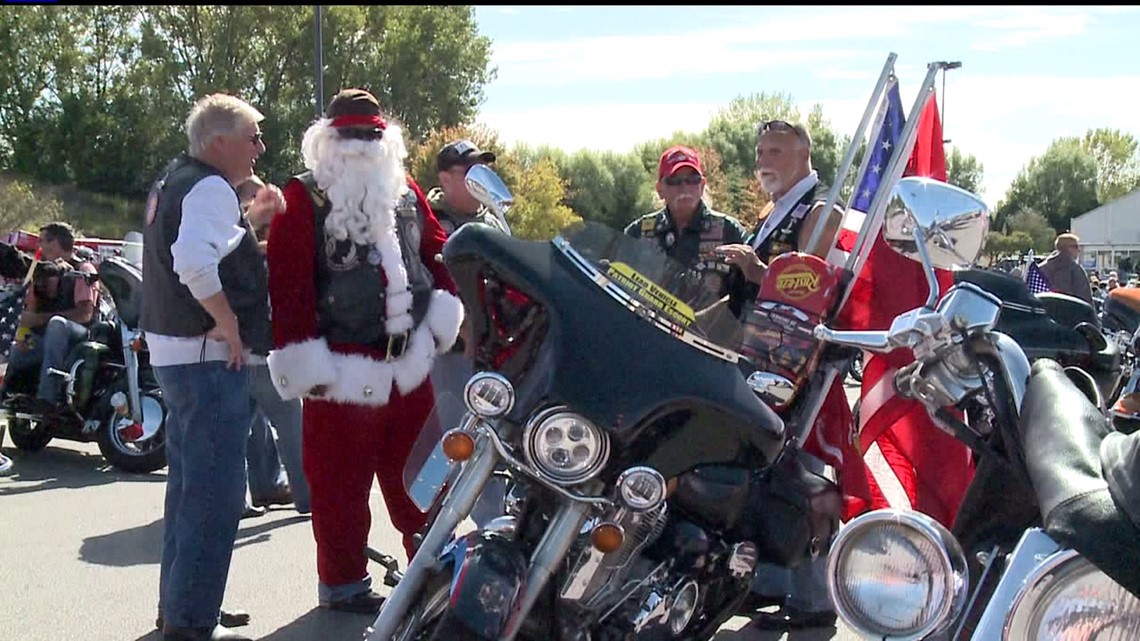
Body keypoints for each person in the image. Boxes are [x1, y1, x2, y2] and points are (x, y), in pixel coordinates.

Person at [265, 88, 463, 615]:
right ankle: (343, 584)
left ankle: (433, 574)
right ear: (328, 140)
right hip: (340, 369)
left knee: (426, 477)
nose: (362, 145)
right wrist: (305, 363)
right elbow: (289, 289)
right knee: (338, 488)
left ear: (385, 138)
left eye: (372, 135)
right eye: (352, 135)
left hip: (410, 365)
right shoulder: (301, 198)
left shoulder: (405, 191)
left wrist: (449, 317)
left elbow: (437, 253)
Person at [141, 93, 283, 641]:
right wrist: (227, 323)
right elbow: (195, 261)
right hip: (204, 359)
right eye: (252, 137)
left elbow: (203, 244)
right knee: (215, 495)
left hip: (179, 357)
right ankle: (192, 622)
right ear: (220, 141)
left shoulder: (178, 180)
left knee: (188, 490)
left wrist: (254, 219)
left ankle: (181, 609)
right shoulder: (207, 186)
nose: (259, 148)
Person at [716, 120, 846, 632]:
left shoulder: (820, 210)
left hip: (800, 368)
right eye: (761, 151)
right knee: (765, 471)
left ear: (806, 155)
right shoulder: (775, 212)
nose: (764, 160)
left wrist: (755, 270)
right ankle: (771, 580)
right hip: (760, 361)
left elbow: (806, 285)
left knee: (804, 476)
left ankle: (816, 594)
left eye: (777, 151)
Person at [232, 175, 310, 520]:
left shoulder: (230, 243)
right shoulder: (261, 249)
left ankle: (249, 494)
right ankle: (308, 497)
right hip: (264, 352)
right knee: (293, 426)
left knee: (240, 430)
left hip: (235, 352)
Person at [623, 145, 749, 311]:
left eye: (692, 180)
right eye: (674, 181)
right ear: (660, 189)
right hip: (648, 331)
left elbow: (749, 291)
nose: (684, 187)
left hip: (706, 336)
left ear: (702, 185)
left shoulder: (729, 231)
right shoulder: (638, 232)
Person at [3, 222, 100, 418]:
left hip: (78, 336)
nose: (39, 246)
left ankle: (47, 400)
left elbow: (85, 314)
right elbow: (30, 310)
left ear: (55, 243)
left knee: (57, 325)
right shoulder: (43, 271)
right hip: (46, 336)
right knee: (13, 353)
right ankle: (8, 396)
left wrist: (41, 319)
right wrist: (23, 334)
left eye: (42, 241)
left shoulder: (83, 269)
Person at [426, 139, 509, 235]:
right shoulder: (427, 221)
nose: (480, 178)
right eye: (472, 170)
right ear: (445, 179)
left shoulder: (495, 228)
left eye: (483, 169)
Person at [1038, 233, 1093, 305]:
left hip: (1045, 311)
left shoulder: (1041, 269)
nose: (1079, 250)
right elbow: (1085, 298)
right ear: (1065, 248)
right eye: (1075, 246)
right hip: (1071, 313)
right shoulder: (1075, 270)